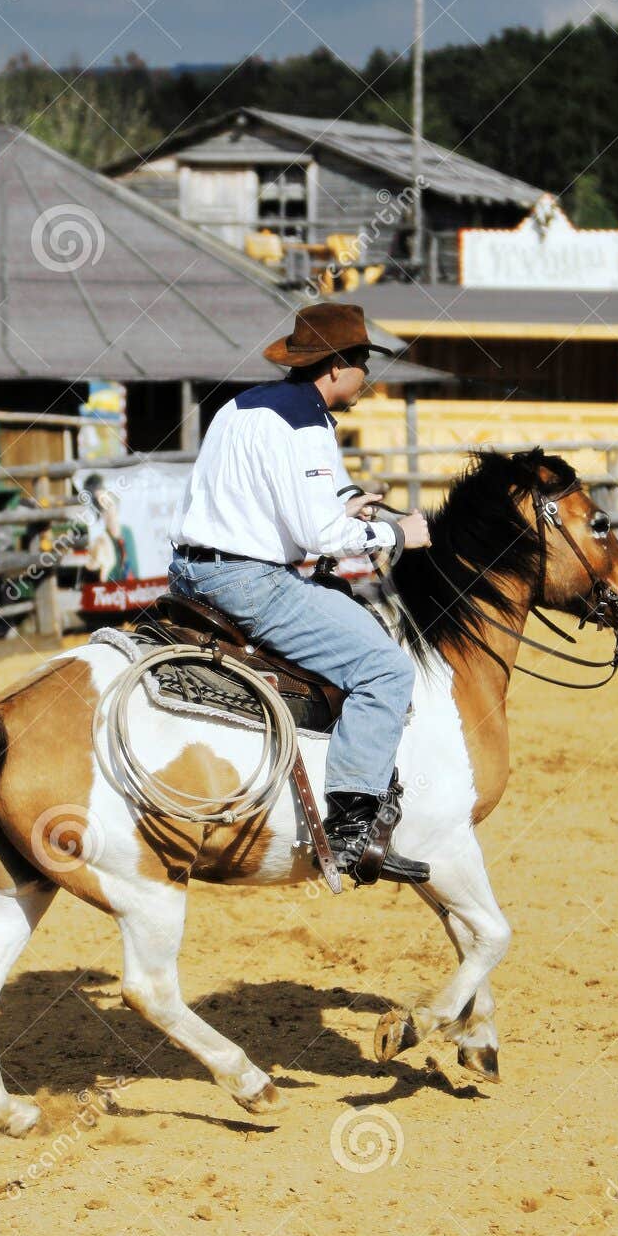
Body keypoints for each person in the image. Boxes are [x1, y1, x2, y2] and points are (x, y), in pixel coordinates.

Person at [168, 302, 432, 887]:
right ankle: (350, 829)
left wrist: (345, 504)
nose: (368, 375)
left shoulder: (239, 406)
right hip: (248, 582)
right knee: (385, 669)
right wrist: (396, 532)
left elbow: (267, 502)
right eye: (364, 362)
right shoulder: (307, 423)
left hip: (189, 575)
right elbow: (320, 538)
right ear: (337, 366)